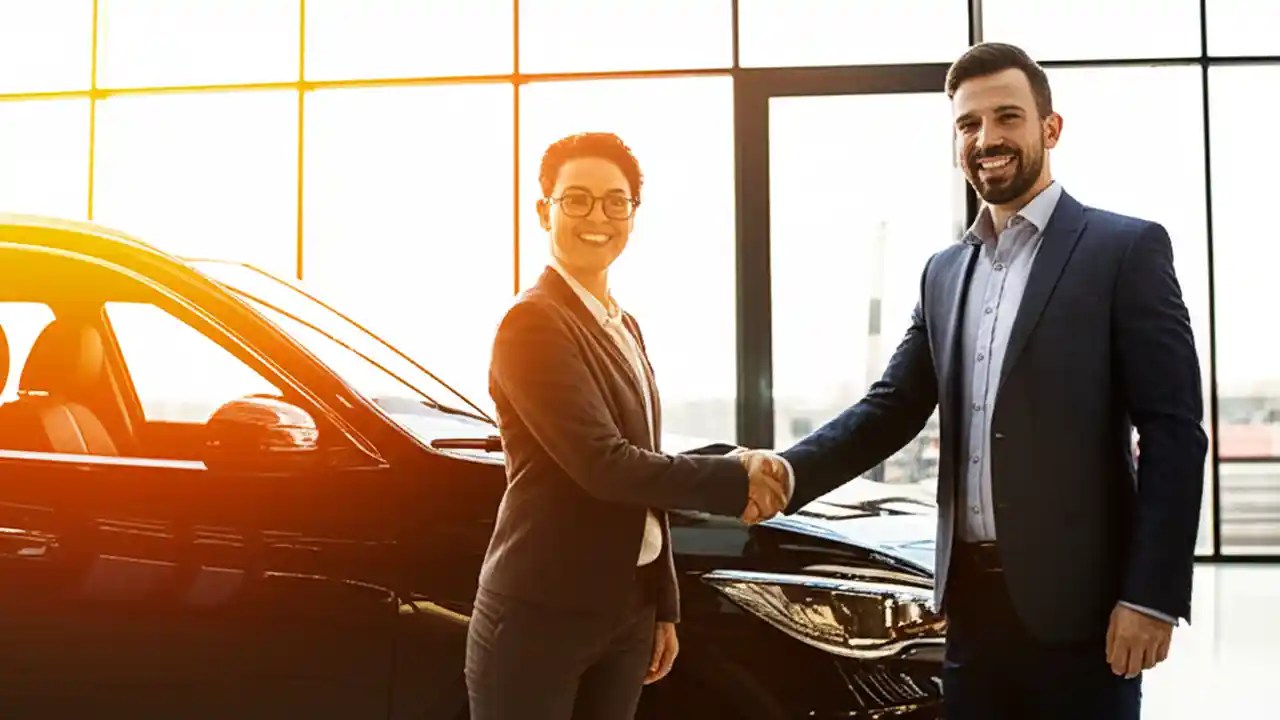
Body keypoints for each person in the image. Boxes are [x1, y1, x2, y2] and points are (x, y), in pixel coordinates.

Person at [743, 42, 1207, 719]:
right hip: (971, 614)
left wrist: (1151, 596)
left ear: (1050, 129)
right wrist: (786, 473)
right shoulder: (944, 272)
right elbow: (891, 408)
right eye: (968, 124)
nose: (987, 138)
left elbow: (1174, 433)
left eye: (1007, 117)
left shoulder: (1124, 250)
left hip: (1085, 614)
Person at [465, 131, 790, 720]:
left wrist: (662, 602)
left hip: (627, 610)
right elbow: (603, 464)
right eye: (577, 200)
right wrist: (735, 478)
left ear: (633, 216)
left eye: (616, 202)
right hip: (541, 614)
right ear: (545, 211)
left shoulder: (624, 324)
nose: (599, 217)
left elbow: (646, 465)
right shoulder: (532, 324)